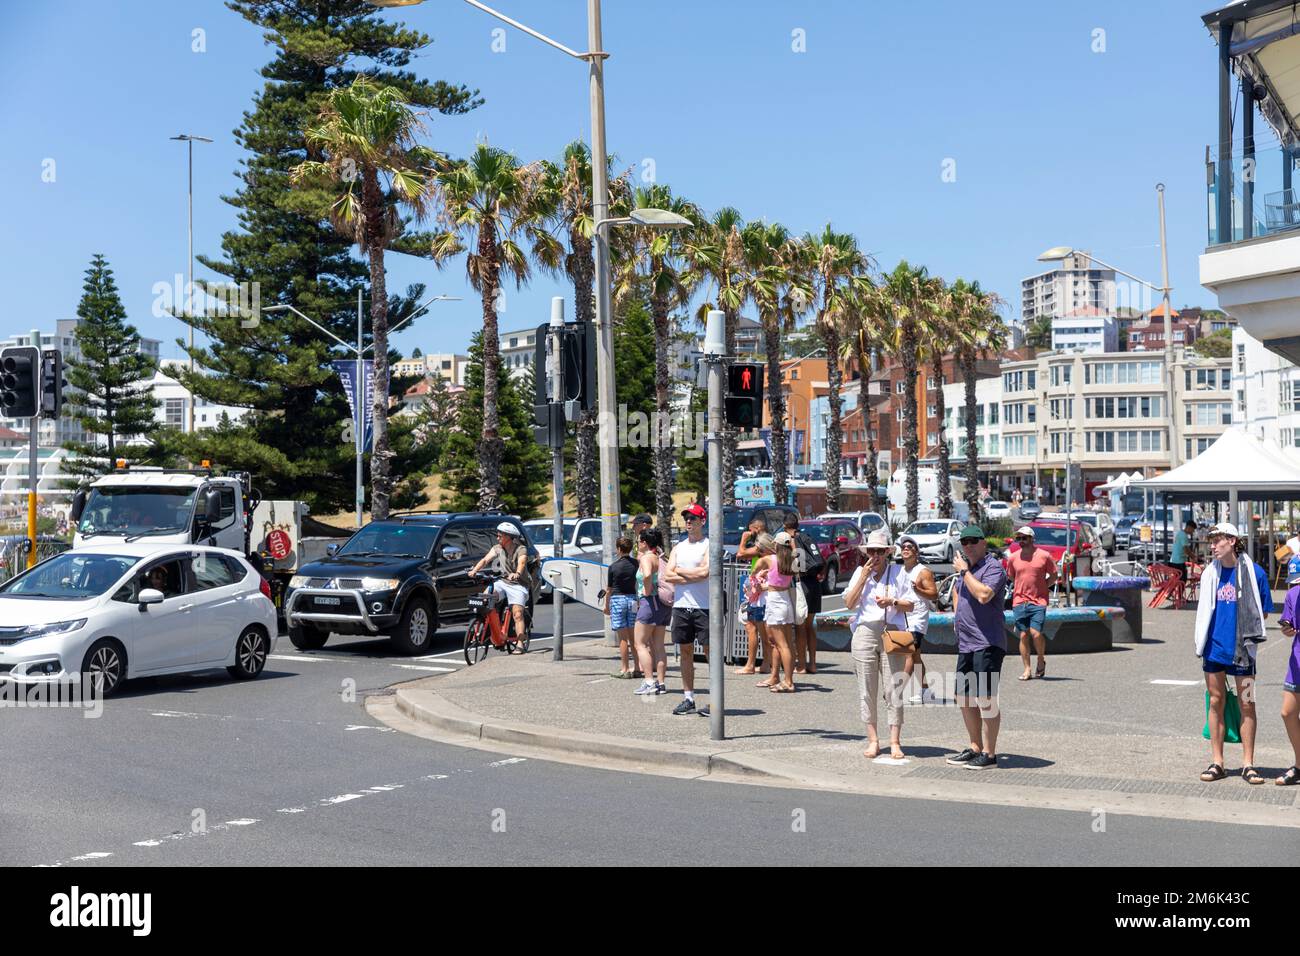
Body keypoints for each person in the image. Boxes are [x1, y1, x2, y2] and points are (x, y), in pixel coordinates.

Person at [1194, 522, 1273, 785]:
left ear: (1232, 540)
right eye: (1212, 541)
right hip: (1214, 649)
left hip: (1244, 652)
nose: (1213, 546)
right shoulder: (1210, 574)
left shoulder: (1255, 573)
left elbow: (1263, 612)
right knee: (1216, 700)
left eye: (1217, 540)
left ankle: (1248, 764)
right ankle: (1218, 761)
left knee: (1247, 702)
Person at [843, 529, 915, 760]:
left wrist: (892, 601)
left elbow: (910, 605)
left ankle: (894, 741)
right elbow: (849, 604)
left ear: (887, 553)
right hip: (864, 632)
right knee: (867, 689)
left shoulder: (898, 573)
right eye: (871, 551)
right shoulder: (859, 573)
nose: (875, 555)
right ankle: (873, 740)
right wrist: (863, 578)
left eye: (879, 551)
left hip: (890, 632)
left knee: (893, 689)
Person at [946, 525, 1009, 771]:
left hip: (987, 642)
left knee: (985, 698)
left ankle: (990, 754)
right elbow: (956, 593)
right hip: (967, 643)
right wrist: (956, 617)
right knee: (963, 696)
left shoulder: (993, 568)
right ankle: (974, 747)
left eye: (973, 541)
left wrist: (964, 573)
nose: (968, 546)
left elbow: (984, 595)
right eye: (965, 542)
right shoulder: (967, 571)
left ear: (984, 543)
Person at [662, 503, 710, 715]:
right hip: (682, 607)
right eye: (686, 518)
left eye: (693, 518)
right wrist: (690, 573)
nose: (689, 522)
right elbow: (667, 576)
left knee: (711, 653)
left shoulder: (709, 545)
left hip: (704, 607)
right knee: (685, 652)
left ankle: (715, 699)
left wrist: (680, 572)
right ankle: (688, 698)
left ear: (703, 521)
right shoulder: (678, 548)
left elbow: (705, 573)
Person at [1005, 526, 1058, 681]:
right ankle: (1027, 669)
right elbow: (1012, 577)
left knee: (1036, 633)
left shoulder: (1044, 556)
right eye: (1019, 538)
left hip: (1038, 601)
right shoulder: (1013, 558)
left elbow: (1054, 575)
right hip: (1019, 601)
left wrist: (1043, 586)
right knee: (1023, 635)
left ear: (1032, 538)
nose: (1021, 541)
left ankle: (1040, 659)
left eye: (1024, 538)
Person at [470, 522, 532, 644]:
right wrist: (474, 570)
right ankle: (489, 627)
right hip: (503, 582)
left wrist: (517, 573)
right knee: (484, 599)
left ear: (508, 537)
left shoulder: (520, 549)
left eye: (500, 536)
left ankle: (520, 643)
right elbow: (485, 560)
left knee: (518, 614)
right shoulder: (497, 548)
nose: (497, 538)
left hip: (519, 585)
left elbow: (522, 562)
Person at [752, 533, 798, 693]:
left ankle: (788, 681)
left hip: (775, 602)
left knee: (780, 643)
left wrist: (758, 574)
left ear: (776, 545)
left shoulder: (770, 560)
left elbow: (756, 566)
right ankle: (781, 677)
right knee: (787, 643)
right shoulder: (792, 560)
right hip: (786, 600)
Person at [897, 534, 937, 705]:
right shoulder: (899, 570)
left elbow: (934, 594)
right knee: (916, 656)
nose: (906, 548)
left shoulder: (923, 571)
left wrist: (918, 590)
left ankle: (895, 692)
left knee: (909, 654)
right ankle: (926, 691)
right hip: (903, 617)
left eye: (910, 547)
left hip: (917, 617)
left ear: (916, 553)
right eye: (903, 547)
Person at [784, 513, 824, 674]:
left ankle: (801, 665)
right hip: (815, 584)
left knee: (800, 626)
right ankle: (812, 664)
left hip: (804, 585)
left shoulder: (794, 540)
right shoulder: (808, 537)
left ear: (786, 527)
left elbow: (798, 564)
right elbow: (821, 561)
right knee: (810, 626)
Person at [633, 529, 670, 696]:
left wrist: (646, 591)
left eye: (638, 541)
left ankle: (649, 681)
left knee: (640, 644)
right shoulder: (659, 557)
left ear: (644, 543)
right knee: (659, 645)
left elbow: (647, 574)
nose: (637, 544)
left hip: (649, 602)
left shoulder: (647, 557)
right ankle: (661, 683)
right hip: (662, 605)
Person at [736, 532, 773, 675]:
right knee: (757, 630)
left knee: (764, 634)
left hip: (762, 598)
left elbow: (741, 553)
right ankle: (763, 664)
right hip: (757, 597)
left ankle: (759, 664)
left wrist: (744, 537)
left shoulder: (766, 559)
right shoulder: (770, 558)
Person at [604, 536, 640, 678]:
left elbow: (609, 589)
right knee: (634, 637)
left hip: (618, 600)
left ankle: (624, 669)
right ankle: (637, 667)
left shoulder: (613, 567)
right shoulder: (635, 564)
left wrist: (606, 606)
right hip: (632, 599)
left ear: (618, 549)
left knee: (622, 638)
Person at [1277, 565, 1300, 786]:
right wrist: (1287, 630)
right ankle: (1299, 764)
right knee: (1288, 712)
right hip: (1297, 660)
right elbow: (1288, 622)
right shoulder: (1292, 593)